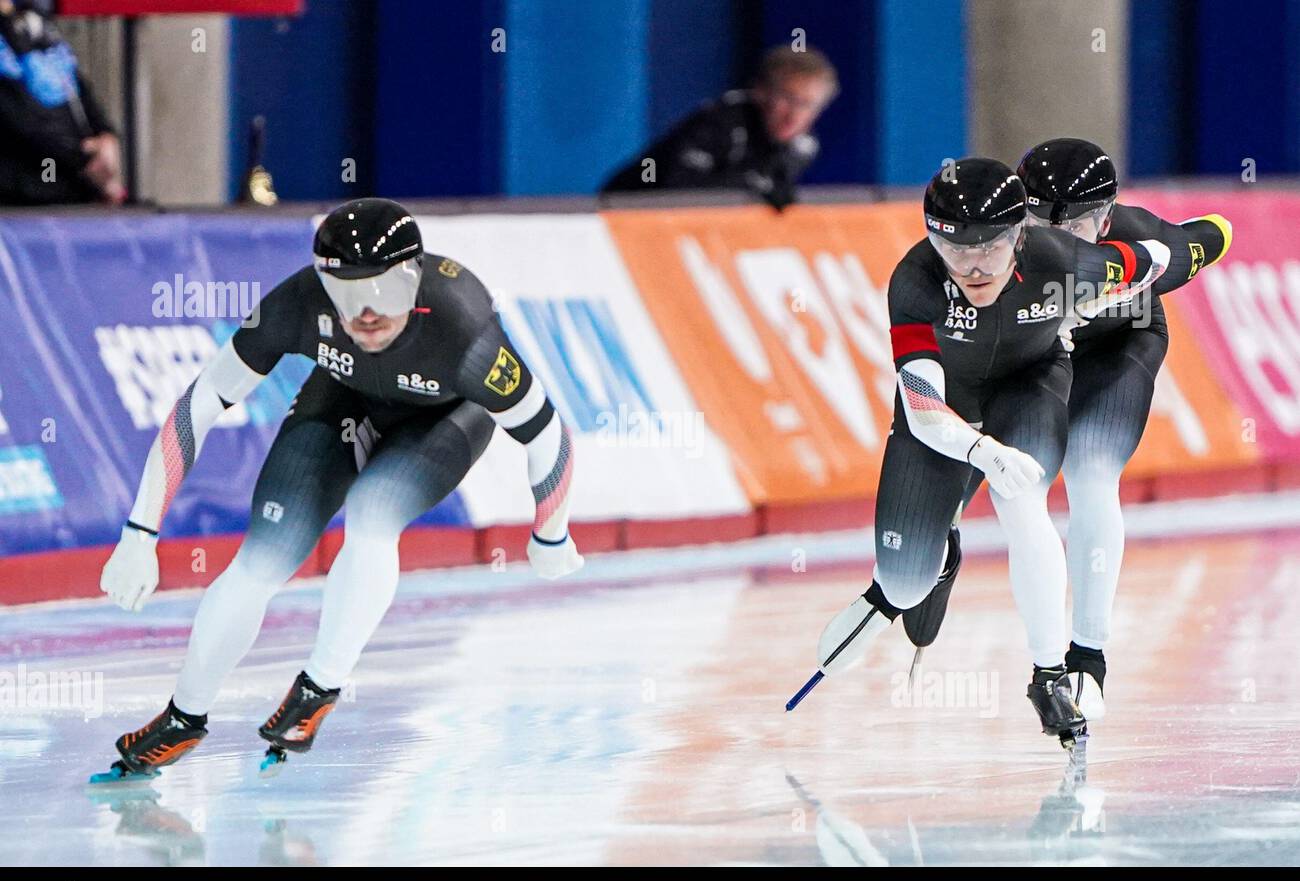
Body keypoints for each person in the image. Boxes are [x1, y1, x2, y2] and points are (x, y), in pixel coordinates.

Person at [95, 198, 583, 780]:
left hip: (445, 417)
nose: (367, 313)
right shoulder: (295, 305)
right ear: (323, 284)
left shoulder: (461, 326)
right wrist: (139, 531)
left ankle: (319, 686)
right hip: (345, 394)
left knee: (374, 514)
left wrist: (552, 533)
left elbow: (546, 430)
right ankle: (183, 717)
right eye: (347, 293)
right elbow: (197, 406)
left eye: (384, 291)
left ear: (416, 280)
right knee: (263, 554)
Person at [793, 158, 1169, 747]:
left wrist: (1102, 299)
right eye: (953, 246)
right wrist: (980, 451)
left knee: (1022, 502)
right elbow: (921, 406)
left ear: (1020, 235)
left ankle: (1049, 674)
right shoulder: (915, 281)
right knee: (903, 583)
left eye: (989, 246)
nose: (972, 265)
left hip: (1032, 383)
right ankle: (931, 564)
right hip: (951, 407)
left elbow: (1159, 258)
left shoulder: (1061, 260)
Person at [1014, 138, 1232, 718]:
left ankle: (1089, 654)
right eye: (1038, 221)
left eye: (1078, 225)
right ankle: (1045, 660)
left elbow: (1214, 232)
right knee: (1018, 483)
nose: (1057, 237)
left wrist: (1185, 248)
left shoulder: (1138, 237)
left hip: (1118, 345)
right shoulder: (990, 253)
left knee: (1089, 471)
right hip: (1038, 356)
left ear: (1107, 218)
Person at [600, 45, 838, 210]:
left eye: (808, 105)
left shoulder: (803, 147)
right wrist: (750, 185)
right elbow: (678, 184)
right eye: (787, 99)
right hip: (623, 207)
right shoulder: (721, 122)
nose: (794, 116)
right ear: (760, 92)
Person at [0, 0, 124, 205]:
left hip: (72, 192)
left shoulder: (35, 22)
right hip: (23, 199)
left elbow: (75, 84)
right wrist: (85, 162)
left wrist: (105, 135)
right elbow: (21, 119)